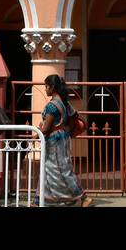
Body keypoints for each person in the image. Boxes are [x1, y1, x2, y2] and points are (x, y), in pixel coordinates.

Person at [37, 74, 90, 207]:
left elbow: (46, 128)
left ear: (52, 87)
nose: (45, 89)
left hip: (54, 142)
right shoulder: (64, 103)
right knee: (54, 170)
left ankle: (82, 196)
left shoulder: (52, 106)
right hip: (63, 139)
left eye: (46, 86)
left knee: (61, 171)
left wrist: (38, 131)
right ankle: (45, 199)